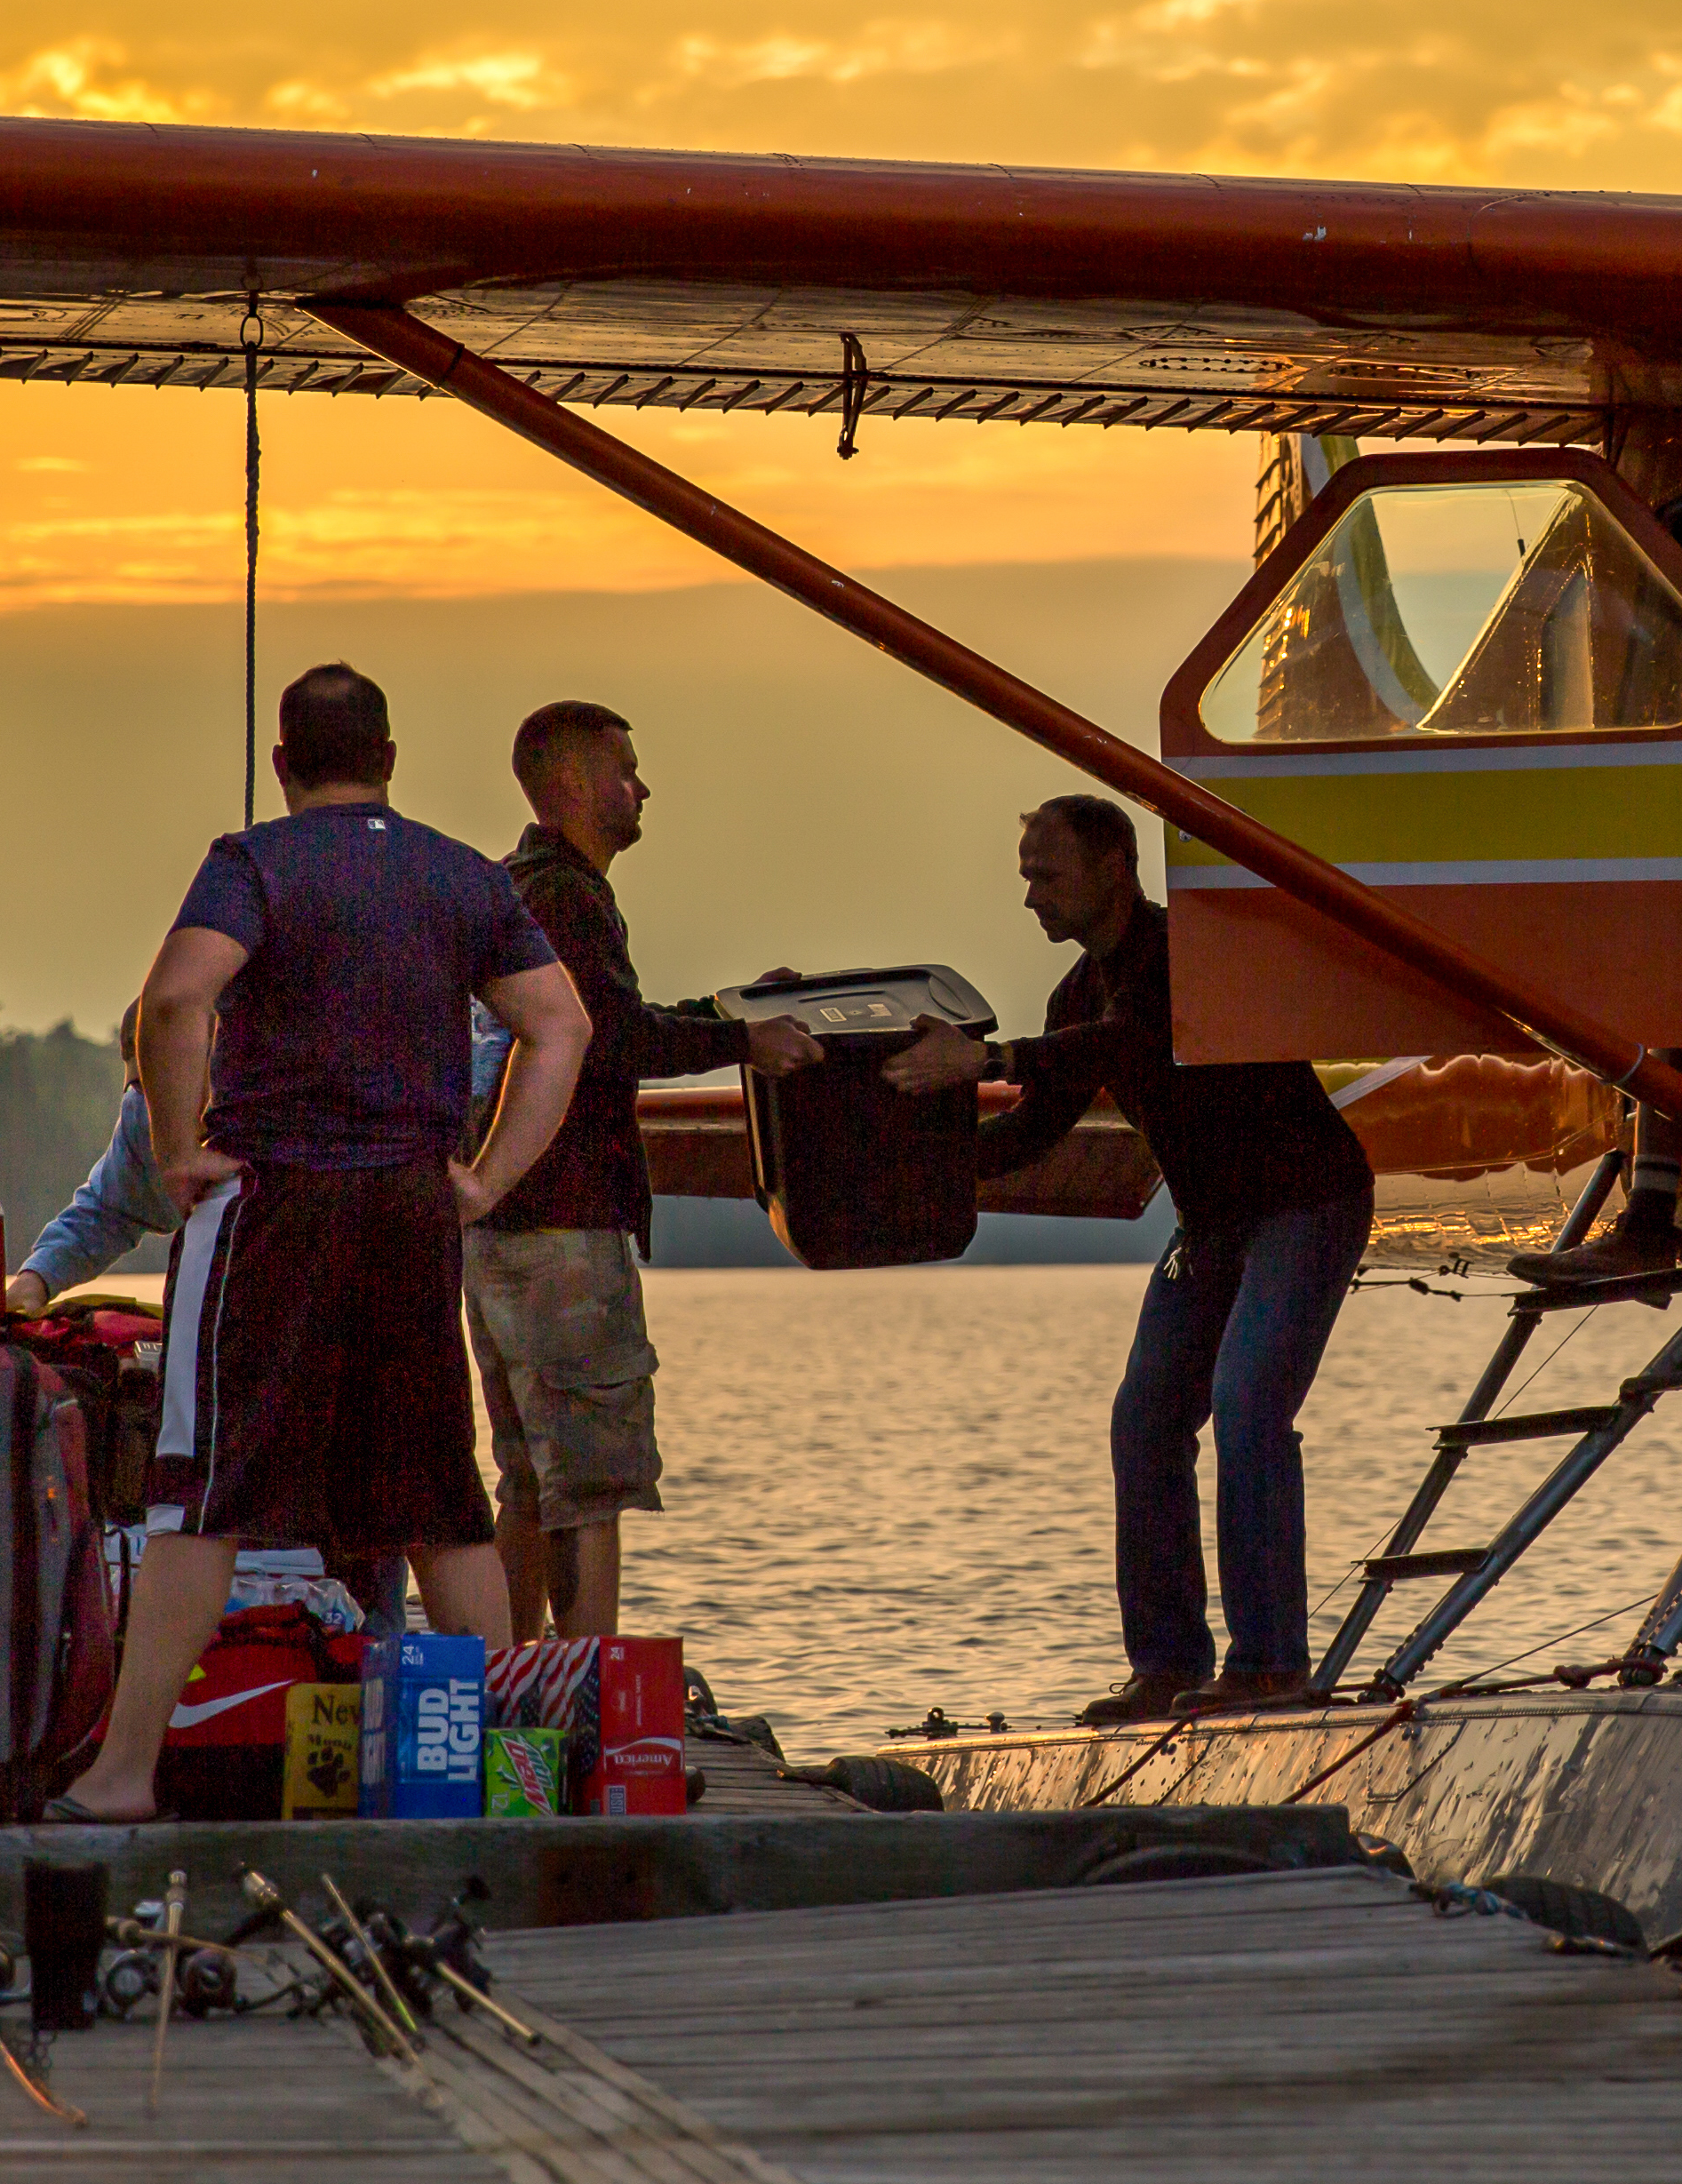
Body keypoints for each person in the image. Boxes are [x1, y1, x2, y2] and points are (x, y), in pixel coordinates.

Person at [59, 663, 591, 1821]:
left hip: (276, 1205)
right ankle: (504, 1773)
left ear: (284, 764)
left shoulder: (253, 863)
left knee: (204, 1496)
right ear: (391, 758)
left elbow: (172, 1002)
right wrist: (487, 1179)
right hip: (411, 1211)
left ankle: (123, 1775)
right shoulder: (463, 876)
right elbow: (560, 1026)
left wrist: (175, 1144)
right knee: (442, 1502)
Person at [885, 792, 1375, 1725]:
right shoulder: (1075, 993)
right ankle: (1166, 1665)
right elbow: (1038, 1126)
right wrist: (924, 1167)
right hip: (1213, 1226)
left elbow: (1136, 1037)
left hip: (1307, 1203)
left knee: (1247, 1405)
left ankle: (1271, 1666)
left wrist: (987, 1057)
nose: (1030, 898)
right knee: (1144, 1421)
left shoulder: (1185, 950)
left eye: (1046, 875)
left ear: (1115, 868)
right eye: (1025, 877)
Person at [473, 702, 821, 1642]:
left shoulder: (518, 889)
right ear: (577, 787)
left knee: (526, 1472)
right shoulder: (568, 896)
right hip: (564, 1228)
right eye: (627, 769)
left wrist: (726, 1008)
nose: (644, 786)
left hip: (498, 1227)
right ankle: (588, 1685)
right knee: (590, 1479)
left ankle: (511, 1680)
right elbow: (611, 1036)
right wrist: (746, 1038)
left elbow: (607, 1012)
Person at [3, 998, 171, 1313]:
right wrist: (35, 1280)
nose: (151, 1105)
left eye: (163, 1085)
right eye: (138, 1087)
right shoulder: (141, 1113)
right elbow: (109, 1211)